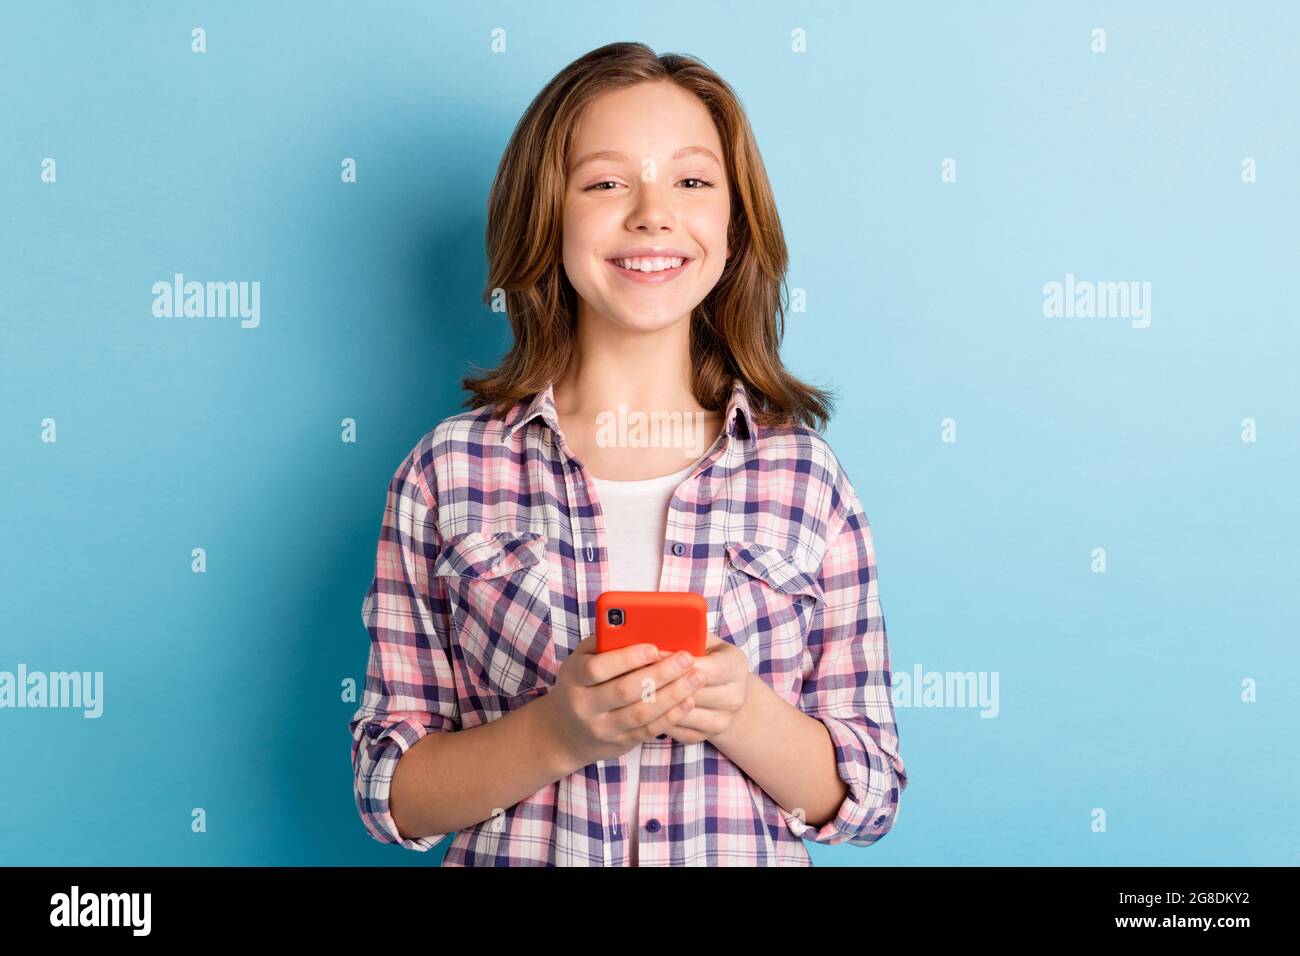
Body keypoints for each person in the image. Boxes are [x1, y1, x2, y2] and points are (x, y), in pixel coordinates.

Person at [349, 41, 907, 866]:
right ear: (549, 216)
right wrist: (556, 732)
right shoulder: (446, 474)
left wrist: (743, 713)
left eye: (690, 180)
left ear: (733, 224)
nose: (652, 212)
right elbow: (389, 792)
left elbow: (869, 794)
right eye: (607, 182)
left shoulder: (806, 479)